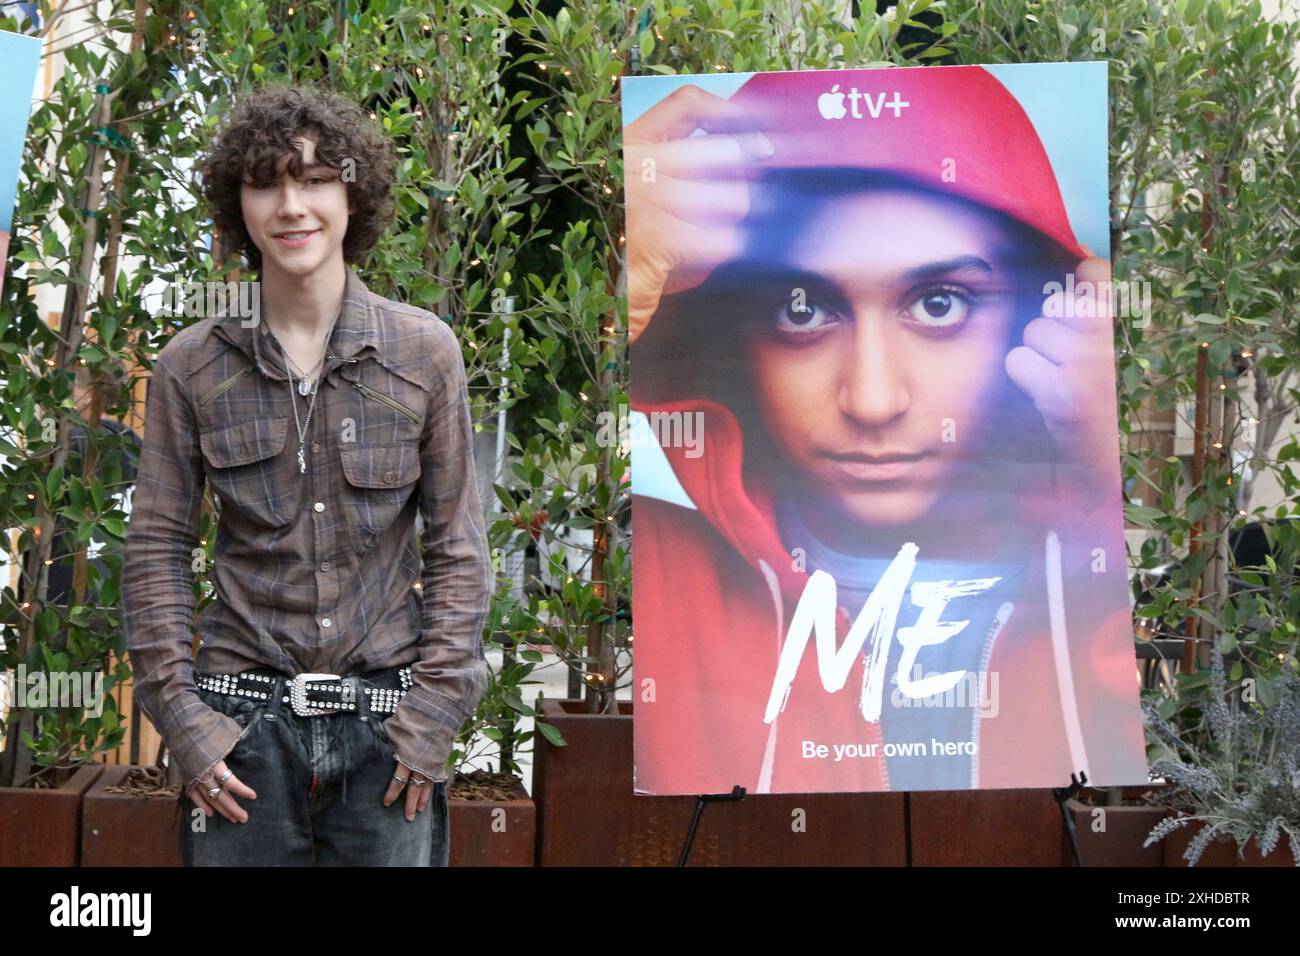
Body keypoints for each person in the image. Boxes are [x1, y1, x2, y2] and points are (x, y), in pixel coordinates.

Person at [626, 68, 1149, 795]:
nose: (872, 400)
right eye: (802, 311)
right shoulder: (653, 556)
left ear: (1043, 314)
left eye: (940, 305)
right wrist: (627, 287)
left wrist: (1103, 488)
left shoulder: (1098, 583)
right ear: (728, 334)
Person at [121, 85, 491, 865]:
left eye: (317, 179)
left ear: (353, 195)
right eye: (267, 182)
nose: (293, 205)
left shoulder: (424, 355)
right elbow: (154, 555)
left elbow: (459, 547)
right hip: (238, 736)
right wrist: (186, 728)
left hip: (388, 734)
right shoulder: (192, 367)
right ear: (238, 203)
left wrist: (431, 721)